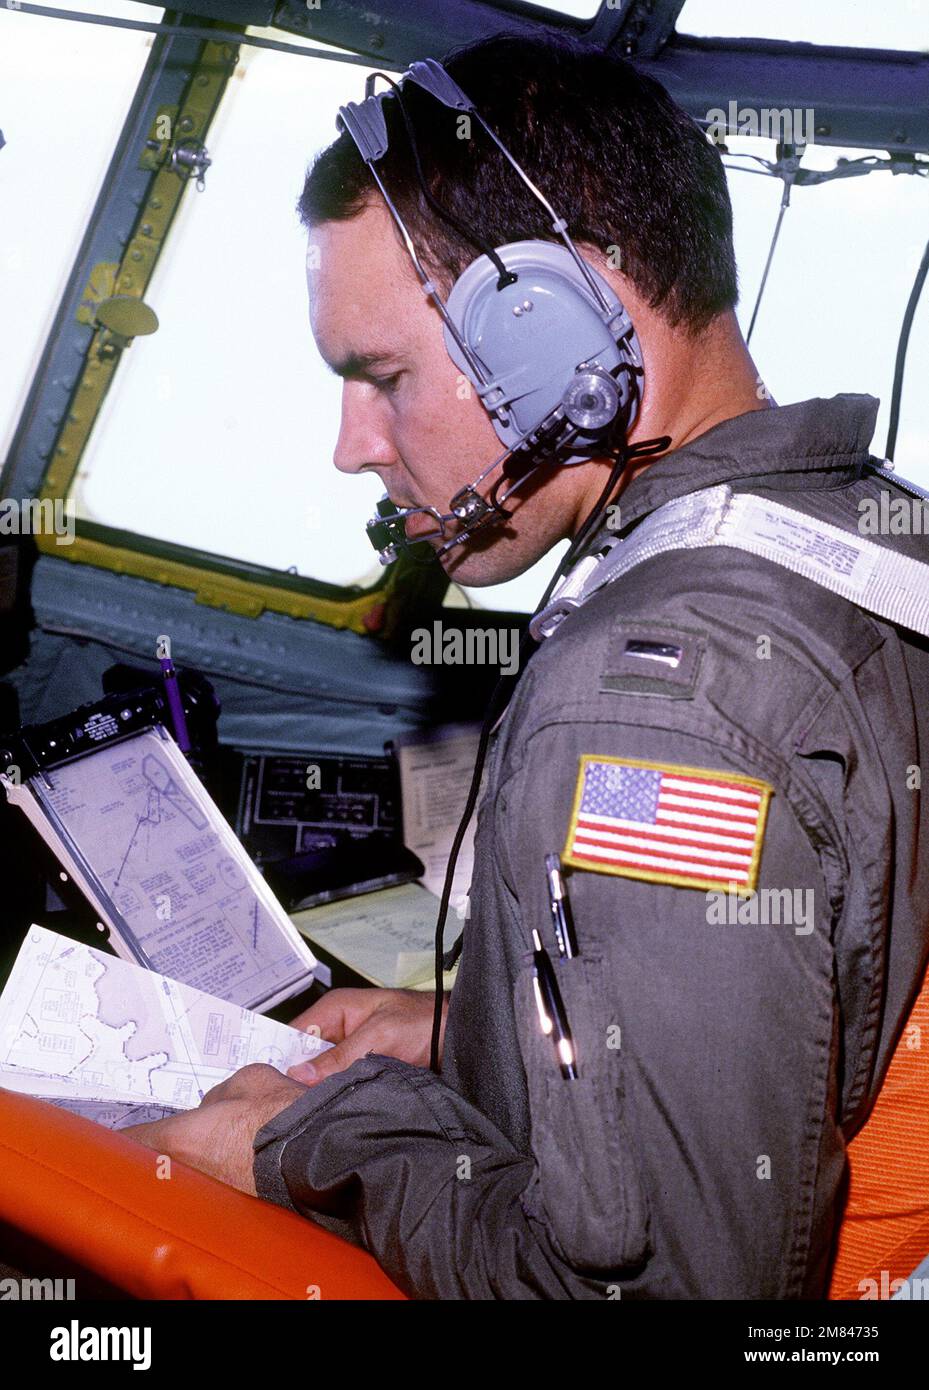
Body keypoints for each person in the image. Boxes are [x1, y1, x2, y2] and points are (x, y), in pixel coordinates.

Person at [126, 32, 929, 1299]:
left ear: (550, 329)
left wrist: (305, 1138)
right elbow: (773, 1023)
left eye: (380, 378)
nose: (351, 447)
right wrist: (474, 1037)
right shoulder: (859, 534)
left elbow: (648, 1292)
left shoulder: (653, 710)